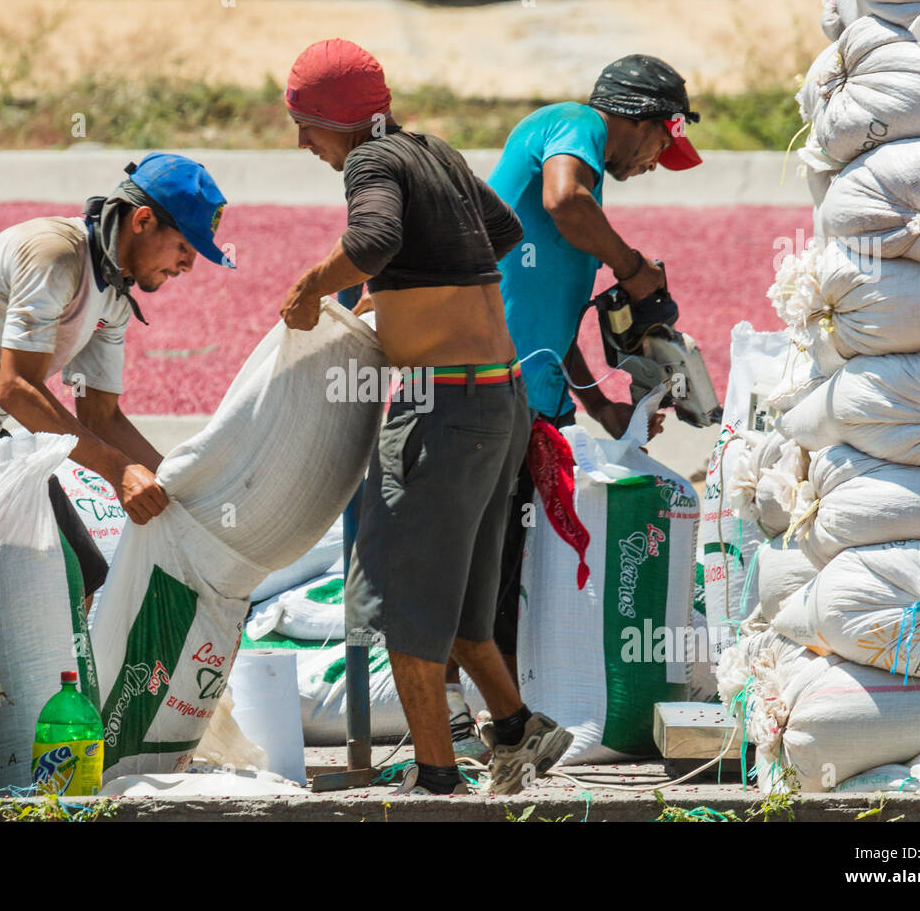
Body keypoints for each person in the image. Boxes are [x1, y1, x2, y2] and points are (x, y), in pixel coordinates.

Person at [279, 38, 573, 795]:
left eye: (306, 124)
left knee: (403, 596)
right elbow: (500, 234)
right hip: (498, 401)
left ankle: (437, 784)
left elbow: (372, 239)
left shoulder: (369, 163)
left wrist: (315, 286)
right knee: (466, 603)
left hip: (439, 407)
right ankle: (515, 731)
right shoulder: (430, 150)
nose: (301, 141)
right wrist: (405, 291)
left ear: (336, 121)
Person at [481, 54, 703, 677]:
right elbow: (563, 201)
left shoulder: (590, 182)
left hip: (537, 403)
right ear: (646, 119)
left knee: (512, 569)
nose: (655, 162)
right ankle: (477, 718)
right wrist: (632, 269)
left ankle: (509, 704)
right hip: (494, 390)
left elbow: (552, 321)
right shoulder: (575, 122)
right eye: (663, 145)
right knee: (487, 565)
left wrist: (599, 403)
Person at [0, 155, 235, 598]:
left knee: (84, 575)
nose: (188, 266)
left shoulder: (114, 295)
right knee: (54, 579)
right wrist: (119, 470)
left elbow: (101, 418)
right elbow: (17, 390)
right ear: (144, 220)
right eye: (185, 247)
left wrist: (179, 488)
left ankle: (64, 669)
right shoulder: (55, 254)